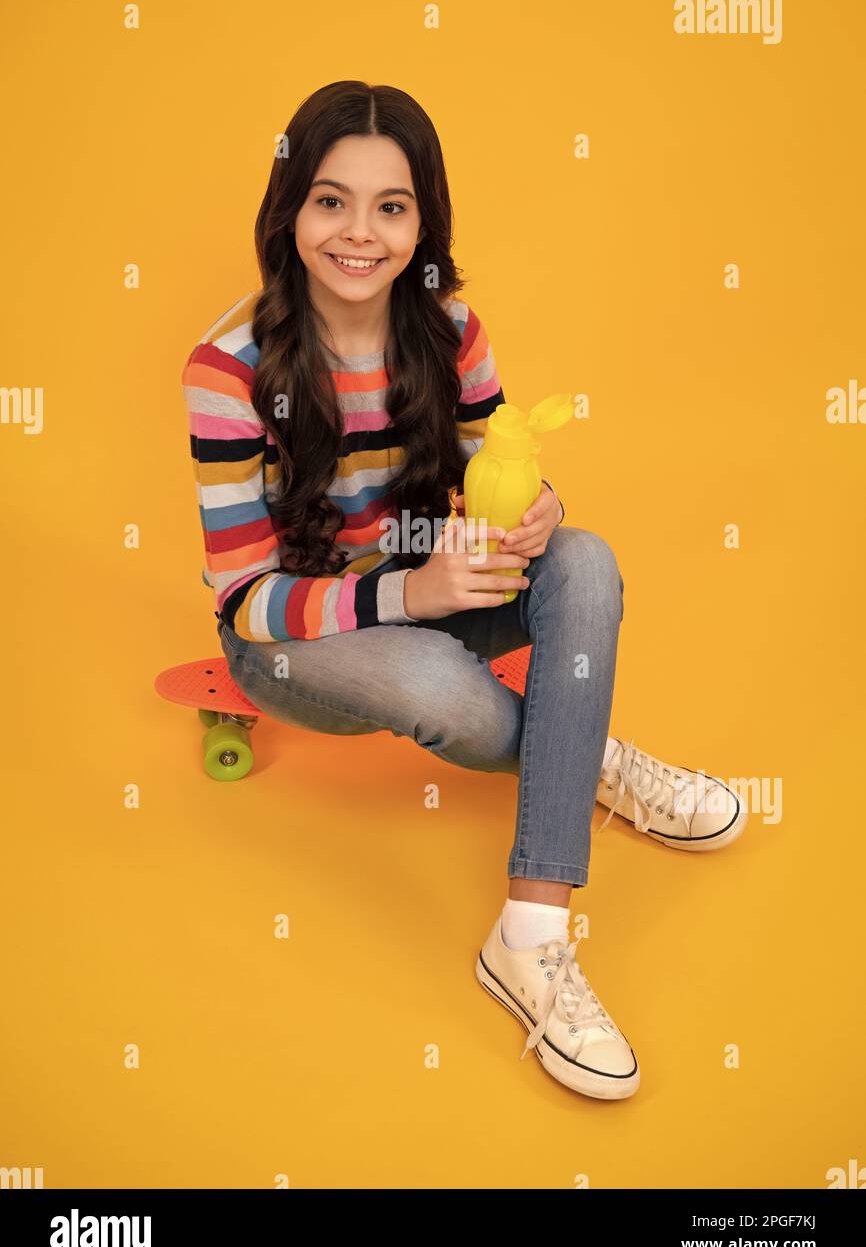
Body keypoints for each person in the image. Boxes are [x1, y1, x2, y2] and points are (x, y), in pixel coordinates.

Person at [181, 80, 745, 1101]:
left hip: (425, 578)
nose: (360, 234)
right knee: (440, 685)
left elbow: (506, 463)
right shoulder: (227, 372)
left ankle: (527, 934)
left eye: (390, 207)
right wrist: (414, 597)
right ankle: (587, 757)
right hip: (296, 637)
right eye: (329, 200)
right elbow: (243, 597)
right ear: (289, 211)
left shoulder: (447, 327)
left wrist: (537, 504)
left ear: (422, 221)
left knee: (583, 558)